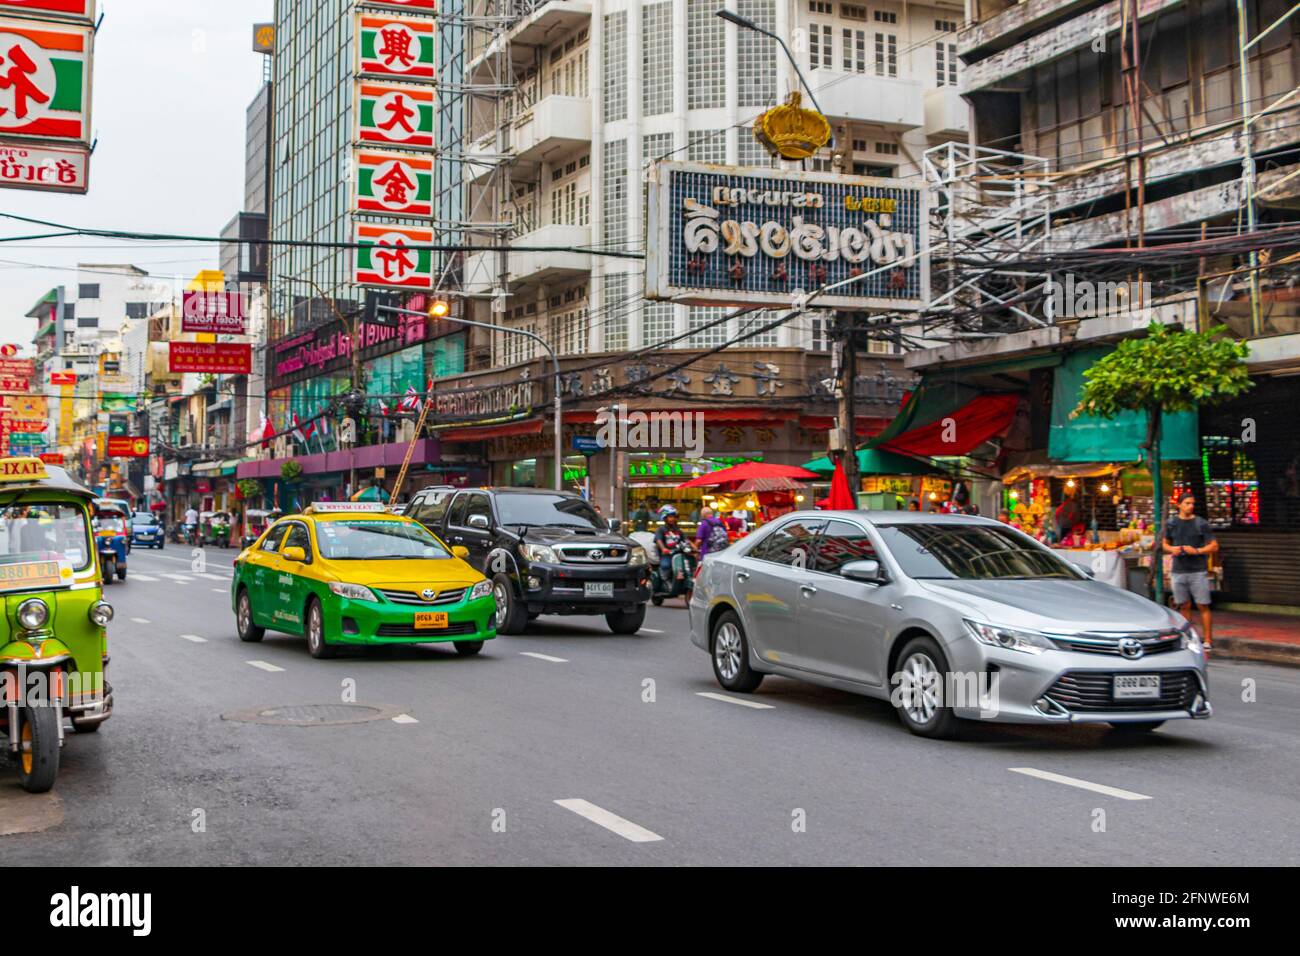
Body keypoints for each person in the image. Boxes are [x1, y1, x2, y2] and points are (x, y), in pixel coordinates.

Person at [1163, 492, 1218, 650]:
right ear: (1179, 505)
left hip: (1197, 570)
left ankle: (1207, 640)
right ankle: (1187, 638)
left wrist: (1197, 551)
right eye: (1187, 503)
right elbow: (1165, 544)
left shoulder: (1201, 523)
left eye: (1192, 503)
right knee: (1184, 606)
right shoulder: (1172, 523)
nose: (1190, 506)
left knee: (1203, 605)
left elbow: (1214, 546)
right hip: (1178, 570)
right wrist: (1173, 549)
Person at [652, 507, 690, 582]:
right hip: (667, 555)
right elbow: (658, 540)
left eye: (674, 517)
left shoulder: (679, 530)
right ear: (665, 518)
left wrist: (694, 548)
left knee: (687, 565)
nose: (672, 519)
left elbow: (686, 540)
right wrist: (663, 548)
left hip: (678, 554)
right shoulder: (661, 530)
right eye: (670, 517)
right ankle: (665, 580)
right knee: (666, 565)